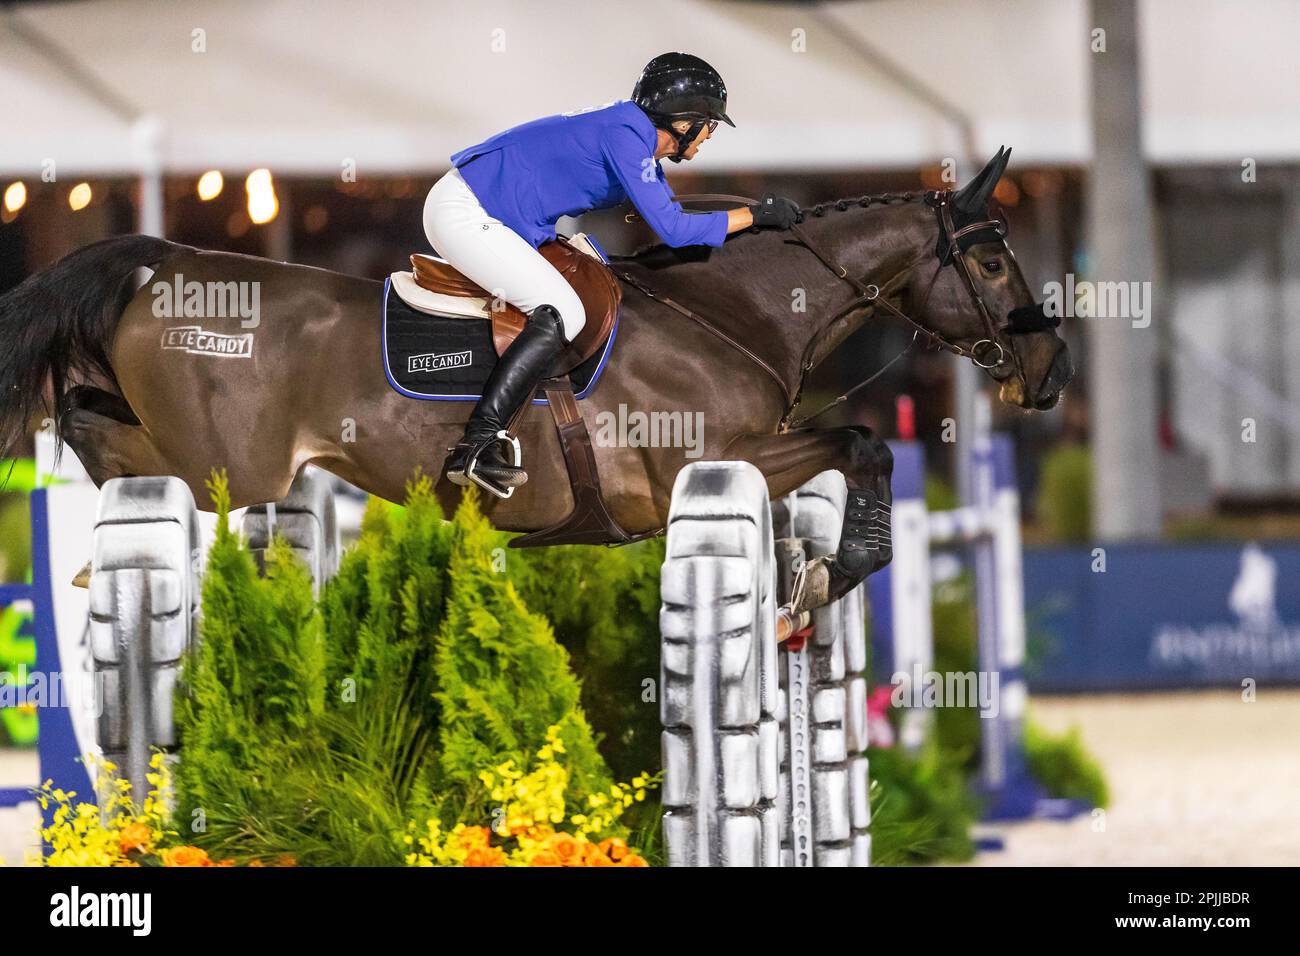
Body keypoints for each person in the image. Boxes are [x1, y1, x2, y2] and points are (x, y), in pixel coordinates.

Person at [424, 51, 801, 495]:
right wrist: (755, 217)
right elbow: (676, 231)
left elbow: (673, 216)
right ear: (683, 123)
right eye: (709, 125)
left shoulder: (633, 136)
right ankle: (478, 442)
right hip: (465, 212)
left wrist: (750, 217)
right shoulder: (627, 137)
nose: (709, 136)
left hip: (489, 211)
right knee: (563, 309)